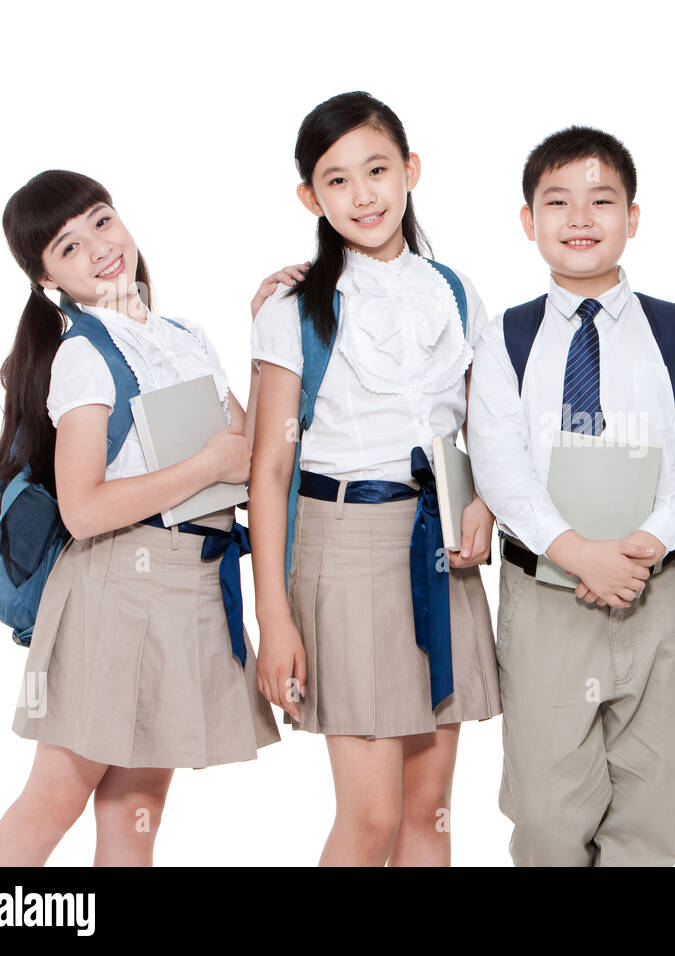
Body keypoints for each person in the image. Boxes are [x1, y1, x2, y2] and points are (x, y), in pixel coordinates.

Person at [0, 170, 279, 866]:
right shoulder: (84, 356)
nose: (98, 248)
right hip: (115, 588)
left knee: (137, 809)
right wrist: (204, 467)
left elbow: (251, 455)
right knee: (58, 795)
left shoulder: (182, 334)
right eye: (67, 246)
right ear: (45, 278)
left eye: (101, 221)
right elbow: (83, 510)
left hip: (188, 586)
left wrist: (262, 338)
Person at [467, 125, 675, 866]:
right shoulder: (506, 338)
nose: (580, 218)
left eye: (601, 200)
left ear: (633, 218)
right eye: (558, 202)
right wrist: (579, 553)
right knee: (547, 815)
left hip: (656, 589)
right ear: (529, 222)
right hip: (547, 593)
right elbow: (498, 459)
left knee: (645, 818)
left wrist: (647, 543)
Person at [248, 92, 500, 867]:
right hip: (342, 546)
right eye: (337, 180)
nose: (363, 196)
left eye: (378, 170)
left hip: (439, 548)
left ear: (410, 171)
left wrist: (485, 504)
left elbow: (488, 433)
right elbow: (270, 465)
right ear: (310, 198)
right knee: (371, 816)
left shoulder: (455, 294)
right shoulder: (293, 306)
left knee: (430, 812)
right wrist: (275, 618)